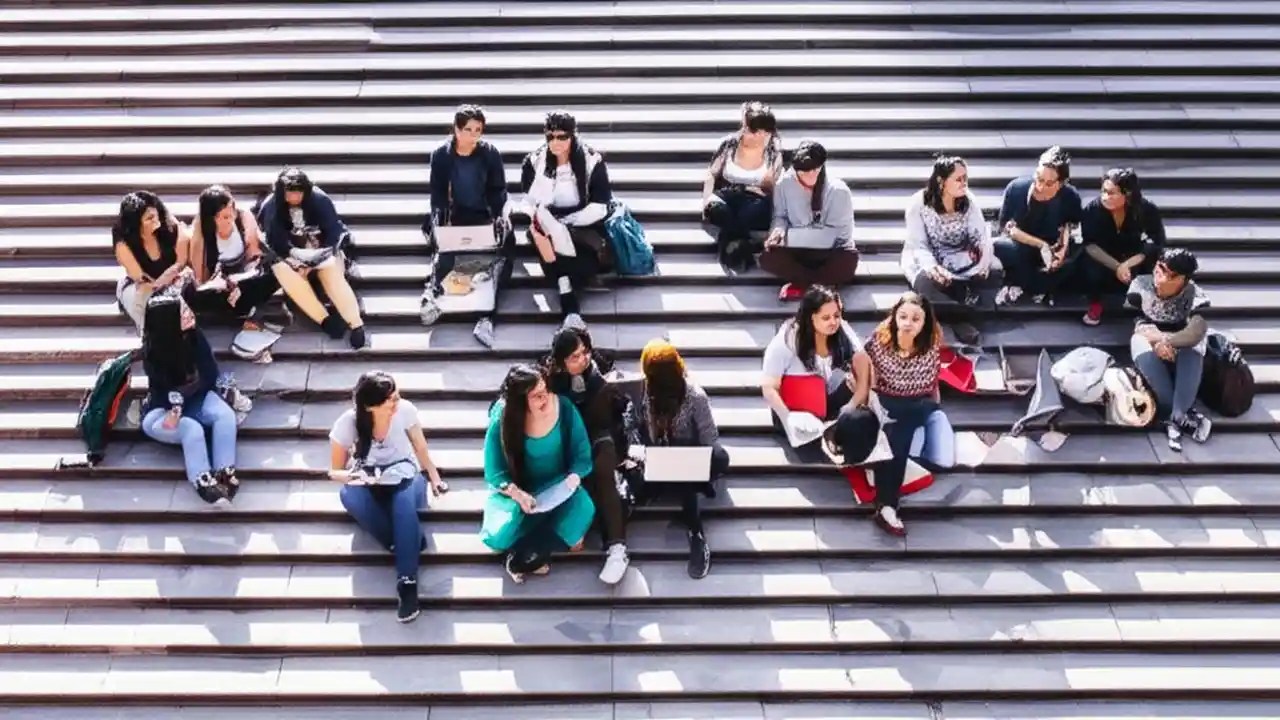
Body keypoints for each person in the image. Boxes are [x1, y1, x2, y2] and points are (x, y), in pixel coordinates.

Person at [327, 371, 448, 623]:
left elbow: (420, 446)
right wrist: (354, 477)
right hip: (369, 479)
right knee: (349, 496)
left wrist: (435, 477)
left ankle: (407, 582)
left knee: (403, 502)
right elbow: (334, 470)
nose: (396, 402)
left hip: (405, 474)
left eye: (396, 396)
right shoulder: (348, 422)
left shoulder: (405, 411)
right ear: (371, 405)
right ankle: (408, 540)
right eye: (390, 399)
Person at [481, 364, 597, 583]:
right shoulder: (503, 415)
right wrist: (516, 493)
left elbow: (581, 453)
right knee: (500, 535)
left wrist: (574, 476)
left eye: (545, 392)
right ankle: (527, 552)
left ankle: (532, 551)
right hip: (518, 493)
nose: (544, 399)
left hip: (557, 487)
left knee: (583, 508)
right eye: (536, 396)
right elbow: (494, 469)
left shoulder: (564, 408)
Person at [852, 292, 952, 537]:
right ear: (895, 317)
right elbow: (859, 365)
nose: (908, 323)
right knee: (896, 433)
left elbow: (929, 385)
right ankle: (887, 505)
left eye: (915, 319)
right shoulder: (879, 340)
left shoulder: (930, 347)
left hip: (917, 403)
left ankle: (887, 505)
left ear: (924, 323)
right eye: (903, 316)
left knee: (901, 426)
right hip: (884, 399)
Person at [544, 326, 635, 585]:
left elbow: (625, 405)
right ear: (561, 361)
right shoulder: (549, 377)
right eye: (575, 356)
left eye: (585, 353)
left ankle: (617, 546)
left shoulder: (599, 371)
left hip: (598, 434)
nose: (583, 359)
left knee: (604, 466)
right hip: (565, 440)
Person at [420, 104, 516, 348]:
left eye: (478, 130)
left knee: (504, 252)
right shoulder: (441, 155)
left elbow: (498, 190)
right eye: (468, 130)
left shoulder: (489, 153)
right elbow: (438, 195)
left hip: (483, 212)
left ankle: (487, 315)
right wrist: (442, 223)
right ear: (456, 129)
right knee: (446, 250)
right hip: (455, 213)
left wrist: (498, 219)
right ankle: (433, 293)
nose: (473, 135)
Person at [635, 339, 728, 579]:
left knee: (718, 457)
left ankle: (696, 531)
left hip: (690, 460)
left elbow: (710, 439)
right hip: (658, 458)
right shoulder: (646, 393)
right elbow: (642, 430)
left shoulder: (694, 396)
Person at [761, 285, 880, 466]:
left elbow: (863, 362)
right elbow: (769, 387)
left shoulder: (842, 330)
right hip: (795, 411)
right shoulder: (787, 339)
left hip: (827, 398)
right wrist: (788, 417)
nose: (833, 322)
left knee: (855, 386)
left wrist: (854, 402)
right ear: (811, 317)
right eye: (826, 318)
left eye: (836, 316)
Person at [139, 291, 239, 506]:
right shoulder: (155, 354)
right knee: (190, 428)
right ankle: (202, 479)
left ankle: (225, 470)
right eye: (182, 312)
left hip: (196, 399)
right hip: (162, 412)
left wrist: (192, 391)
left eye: (186, 308)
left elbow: (210, 374)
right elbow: (167, 395)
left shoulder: (195, 337)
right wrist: (178, 407)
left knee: (224, 415)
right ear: (168, 322)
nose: (189, 314)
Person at [520, 110, 614, 331]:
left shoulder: (592, 160)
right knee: (545, 241)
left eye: (562, 137)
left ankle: (565, 290)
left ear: (572, 135)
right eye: (550, 137)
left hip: (583, 225)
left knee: (581, 266)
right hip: (548, 226)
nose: (556, 143)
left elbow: (601, 206)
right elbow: (530, 201)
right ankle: (569, 304)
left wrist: (569, 222)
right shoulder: (535, 162)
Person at [257, 167, 368, 349]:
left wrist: (319, 256)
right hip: (290, 258)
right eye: (289, 193)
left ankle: (356, 323)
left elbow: (334, 233)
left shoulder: (320, 200)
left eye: (297, 193)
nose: (293, 199)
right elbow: (274, 242)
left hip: (323, 253)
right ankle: (324, 319)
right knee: (283, 270)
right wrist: (295, 260)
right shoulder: (272, 207)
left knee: (331, 273)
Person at [901, 155, 1000, 336]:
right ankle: (964, 316)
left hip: (961, 256)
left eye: (965, 178)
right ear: (941, 181)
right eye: (958, 179)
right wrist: (932, 268)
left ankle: (958, 311)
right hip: (928, 258)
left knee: (995, 270)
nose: (964, 183)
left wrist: (983, 261)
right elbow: (918, 244)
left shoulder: (968, 201)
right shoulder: (918, 203)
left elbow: (981, 236)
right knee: (927, 285)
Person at [1126, 248, 1212, 451]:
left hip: (1181, 349)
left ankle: (1177, 414)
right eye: (1159, 266)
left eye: (1167, 272)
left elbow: (1196, 331)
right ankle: (1176, 413)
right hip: (1152, 345)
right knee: (1137, 341)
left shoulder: (1195, 295)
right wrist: (1159, 341)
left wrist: (1170, 341)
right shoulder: (1140, 286)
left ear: (1181, 279)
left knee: (1195, 345)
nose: (1159, 274)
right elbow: (1139, 325)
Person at [759, 140, 859, 301]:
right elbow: (780, 216)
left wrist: (790, 236)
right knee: (768, 257)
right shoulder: (784, 184)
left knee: (847, 261)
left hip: (830, 250)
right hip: (797, 249)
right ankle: (820, 285)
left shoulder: (838, 190)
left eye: (815, 170)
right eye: (804, 172)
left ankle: (803, 284)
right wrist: (778, 231)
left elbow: (837, 235)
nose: (810, 176)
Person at [993, 145, 1083, 306]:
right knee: (1000, 247)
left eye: (1049, 183)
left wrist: (1061, 252)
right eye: (1039, 179)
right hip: (1022, 244)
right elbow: (1007, 228)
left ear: (1061, 183)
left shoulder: (1070, 196)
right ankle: (1036, 283)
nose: (1041, 187)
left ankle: (1031, 282)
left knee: (1077, 258)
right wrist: (1041, 245)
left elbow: (1071, 226)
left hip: (1052, 250)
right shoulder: (1017, 189)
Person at [702, 101, 783, 272]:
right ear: (745, 127)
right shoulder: (729, 144)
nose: (760, 136)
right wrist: (705, 200)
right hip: (728, 194)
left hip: (755, 197)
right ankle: (744, 244)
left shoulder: (773, 149)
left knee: (752, 214)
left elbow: (774, 186)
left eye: (765, 131)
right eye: (754, 131)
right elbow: (711, 173)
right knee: (716, 210)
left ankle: (730, 244)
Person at [1078, 168, 1166, 326]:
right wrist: (1117, 266)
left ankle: (1150, 304)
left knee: (1156, 258)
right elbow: (1090, 244)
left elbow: (1155, 241)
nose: (1105, 197)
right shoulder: (1092, 210)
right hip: (1105, 258)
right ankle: (1096, 304)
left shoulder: (1146, 210)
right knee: (1087, 261)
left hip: (1134, 258)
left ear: (1128, 194)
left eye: (1111, 193)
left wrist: (1127, 264)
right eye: (1104, 191)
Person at [186, 185, 282, 329]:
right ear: (212, 217)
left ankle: (239, 311)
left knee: (273, 274)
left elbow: (254, 259)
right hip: (218, 281)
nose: (230, 219)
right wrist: (222, 285)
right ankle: (237, 313)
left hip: (243, 276)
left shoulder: (243, 217)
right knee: (198, 296)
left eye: (232, 212)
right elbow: (201, 278)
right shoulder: (200, 231)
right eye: (224, 216)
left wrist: (239, 281)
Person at [112, 191, 190, 332]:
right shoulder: (123, 239)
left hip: (171, 280)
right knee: (144, 300)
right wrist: (159, 286)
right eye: (149, 218)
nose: (156, 220)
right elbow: (140, 278)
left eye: (156, 215)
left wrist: (169, 278)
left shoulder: (167, 225)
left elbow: (181, 260)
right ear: (136, 224)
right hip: (140, 284)